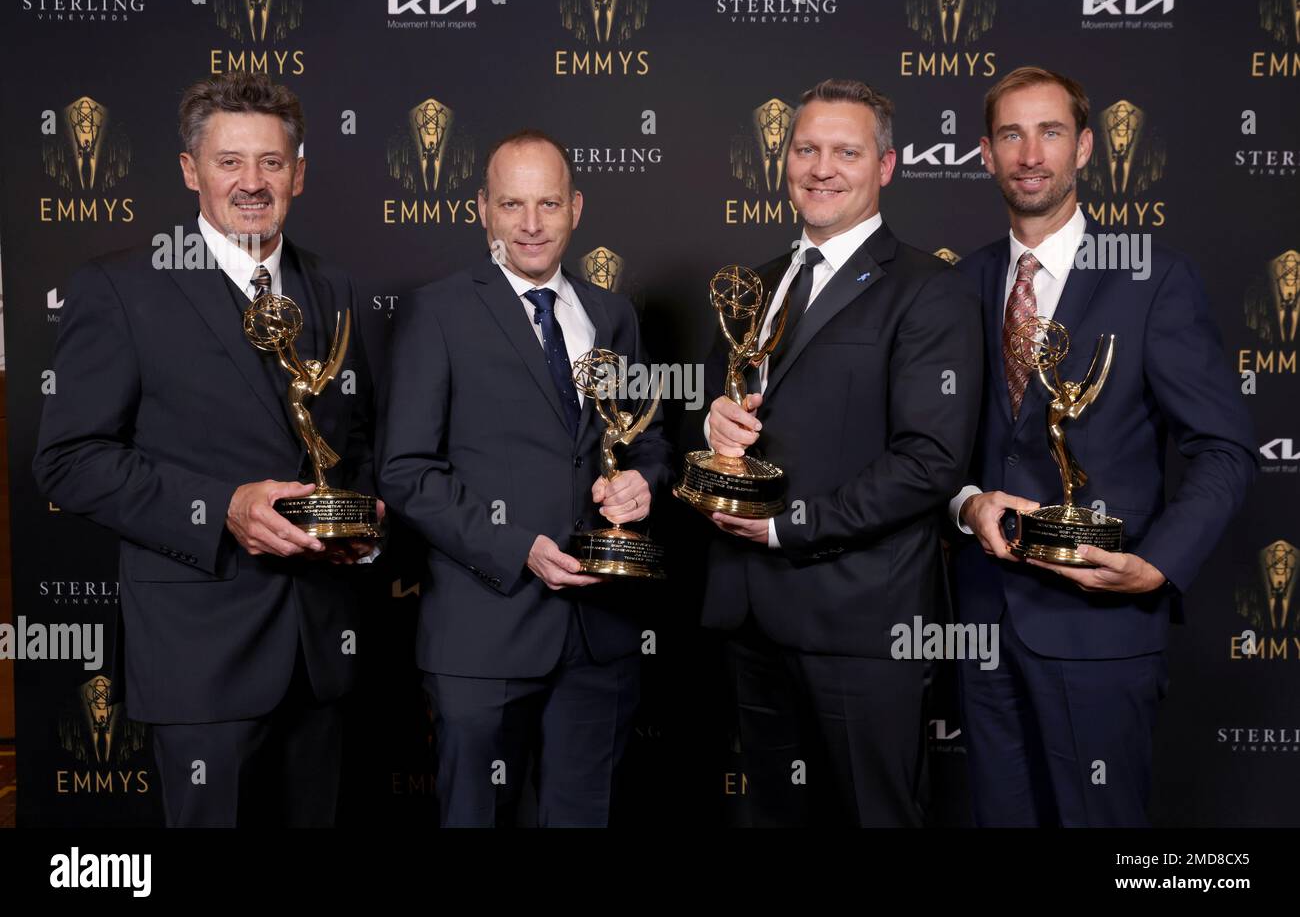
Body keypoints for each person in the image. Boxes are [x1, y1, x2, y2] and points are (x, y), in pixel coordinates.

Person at [33, 72, 379, 826]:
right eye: (230, 162)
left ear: (300, 172)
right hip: (200, 656)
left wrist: (365, 522)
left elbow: (357, 443)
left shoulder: (336, 290)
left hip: (324, 650)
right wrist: (219, 507)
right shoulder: (121, 288)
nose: (252, 183)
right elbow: (67, 458)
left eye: (272, 162)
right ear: (192, 170)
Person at [950, 66, 1256, 826]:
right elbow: (934, 445)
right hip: (981, 623)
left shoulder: (1153, 277)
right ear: (984, 153)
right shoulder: (959, 283)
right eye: (1011, 134)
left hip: (1102, 630)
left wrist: (1159, 565)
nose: (1030, 154)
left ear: (1085, 147)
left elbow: (1224, 446)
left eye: (1050, 132)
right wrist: (965, 501)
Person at [702, 79, 983, 826]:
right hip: (752, 615)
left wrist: (783, 526)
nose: (822, 167)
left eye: (846, 152)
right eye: (807, 148)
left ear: (885, 166)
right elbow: (730, 408)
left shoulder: (929, 290)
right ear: (784, 158)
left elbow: (929, 460)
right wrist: (714, 428)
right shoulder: (757, 285)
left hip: (862, 621)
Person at [376, 129, 673, 827]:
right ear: (483, 209)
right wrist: (519, 549)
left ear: (576, 207)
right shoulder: (438, 311)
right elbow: (406, 470)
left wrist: (644, 486)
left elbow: (645, 440)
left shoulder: (613, 314)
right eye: (513, 204)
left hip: (599, 633)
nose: (532, 224)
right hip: (483, 629)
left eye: (547, 203)